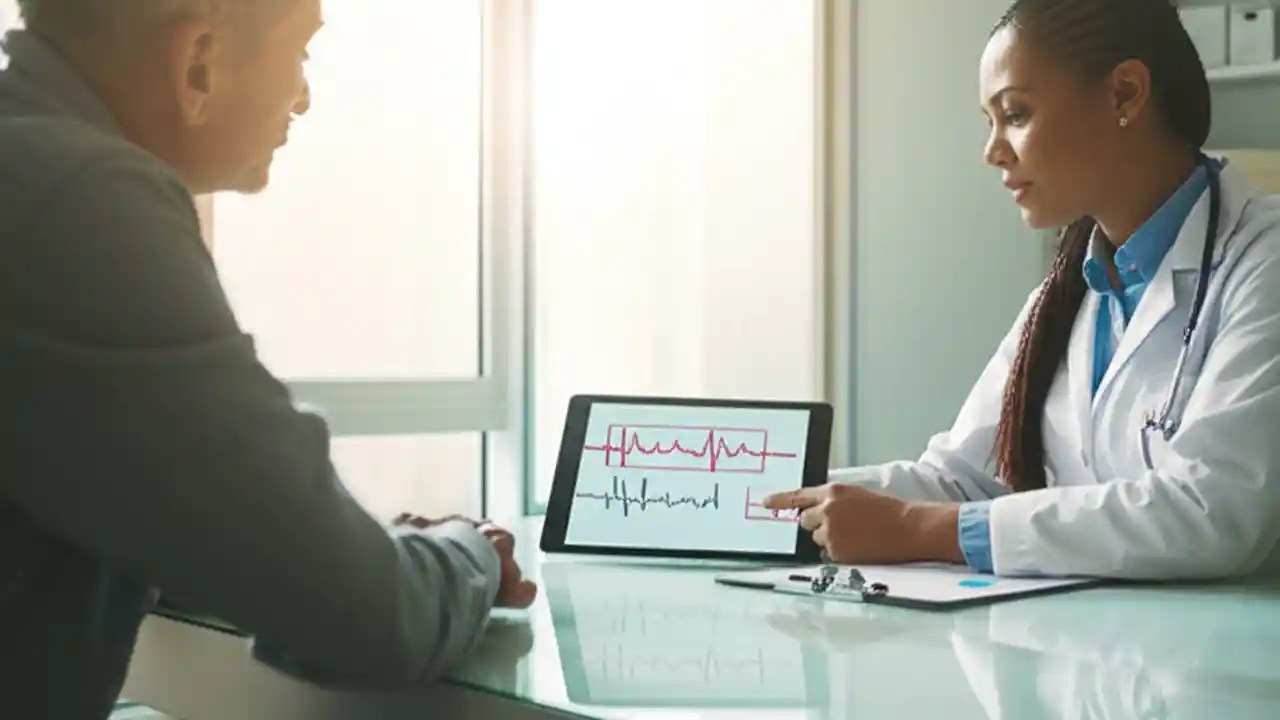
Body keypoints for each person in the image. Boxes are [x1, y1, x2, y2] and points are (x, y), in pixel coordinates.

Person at [0, 1, 535, 717]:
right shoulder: (77, 202)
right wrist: (465, 551)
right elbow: (365, 621)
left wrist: (331, 543)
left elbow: (144, 504)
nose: (305, 96)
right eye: (302, 53)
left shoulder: (26, 168)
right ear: (198, 62)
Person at [767, 0, 1280, 580]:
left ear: (1125, 94)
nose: (993, 151)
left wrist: (921, 529)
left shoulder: (1264, 259)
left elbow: (1212, 511)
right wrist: (783, 492)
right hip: (1090, 649)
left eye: (1014, 114)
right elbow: (961, 478)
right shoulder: (1068, 292)